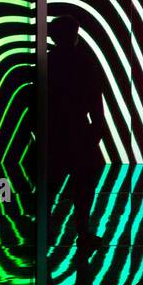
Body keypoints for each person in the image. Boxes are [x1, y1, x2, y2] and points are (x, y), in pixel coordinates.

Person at [46, 14, 108, 250]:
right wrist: (98, 125)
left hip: (57, 131)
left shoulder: (50, 61)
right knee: (82, 183)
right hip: (76, 130)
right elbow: (94, 96)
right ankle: (82, 232)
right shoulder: (83, 61)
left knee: (52, 184)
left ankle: (46, 230)